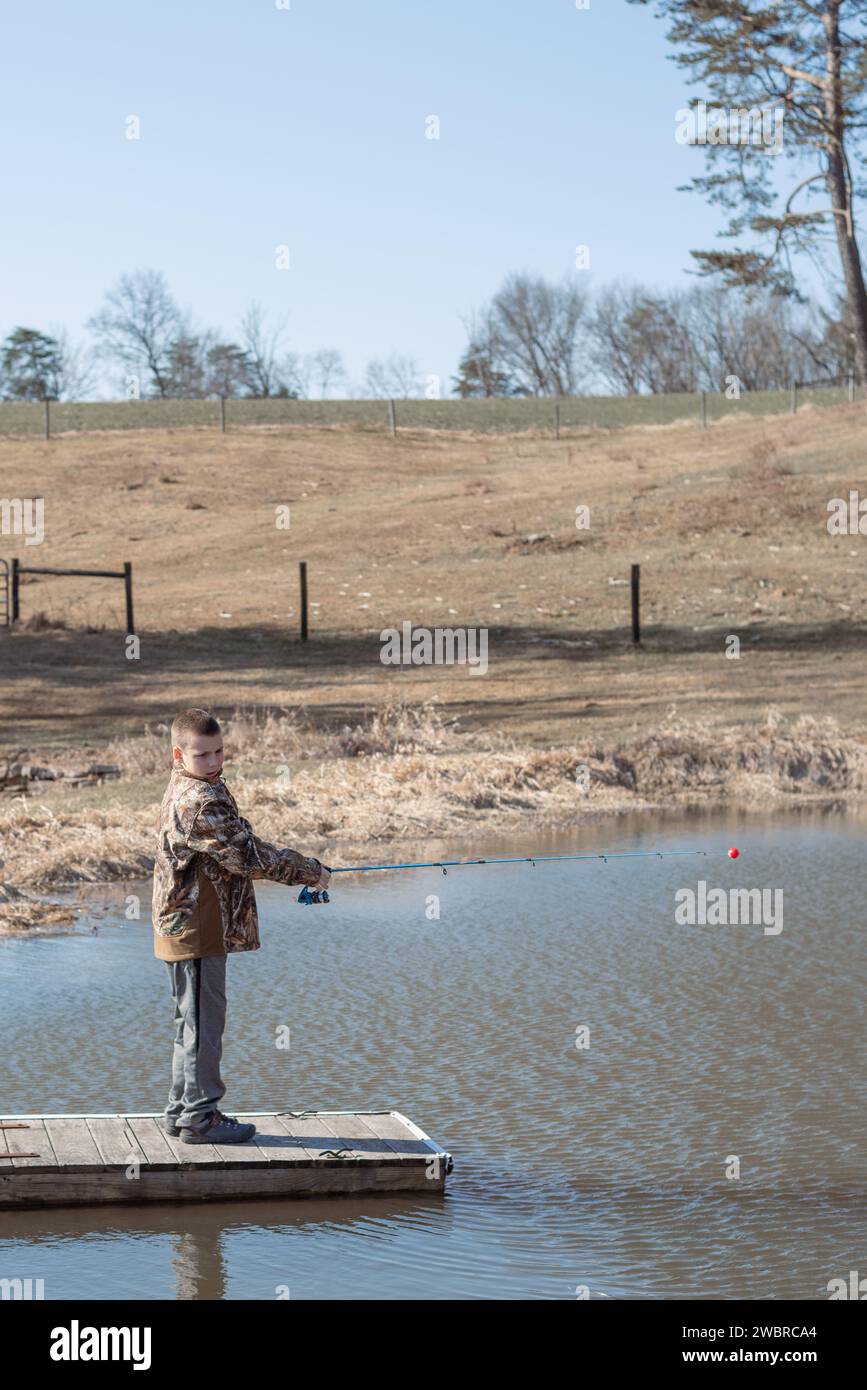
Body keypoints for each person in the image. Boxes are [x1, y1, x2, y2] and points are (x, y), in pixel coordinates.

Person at [151, 707, 330, 1144]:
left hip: (190, 925)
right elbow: (246, 856)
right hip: (196, 927)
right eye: (202, 755)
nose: (213, 762)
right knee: (203, 1025)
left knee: (190, 1023)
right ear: (179, 755)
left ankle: (182, 1111)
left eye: (219, 752)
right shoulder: (197, 800)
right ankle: (200, 1118)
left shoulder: (196, 785)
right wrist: (310, 870)